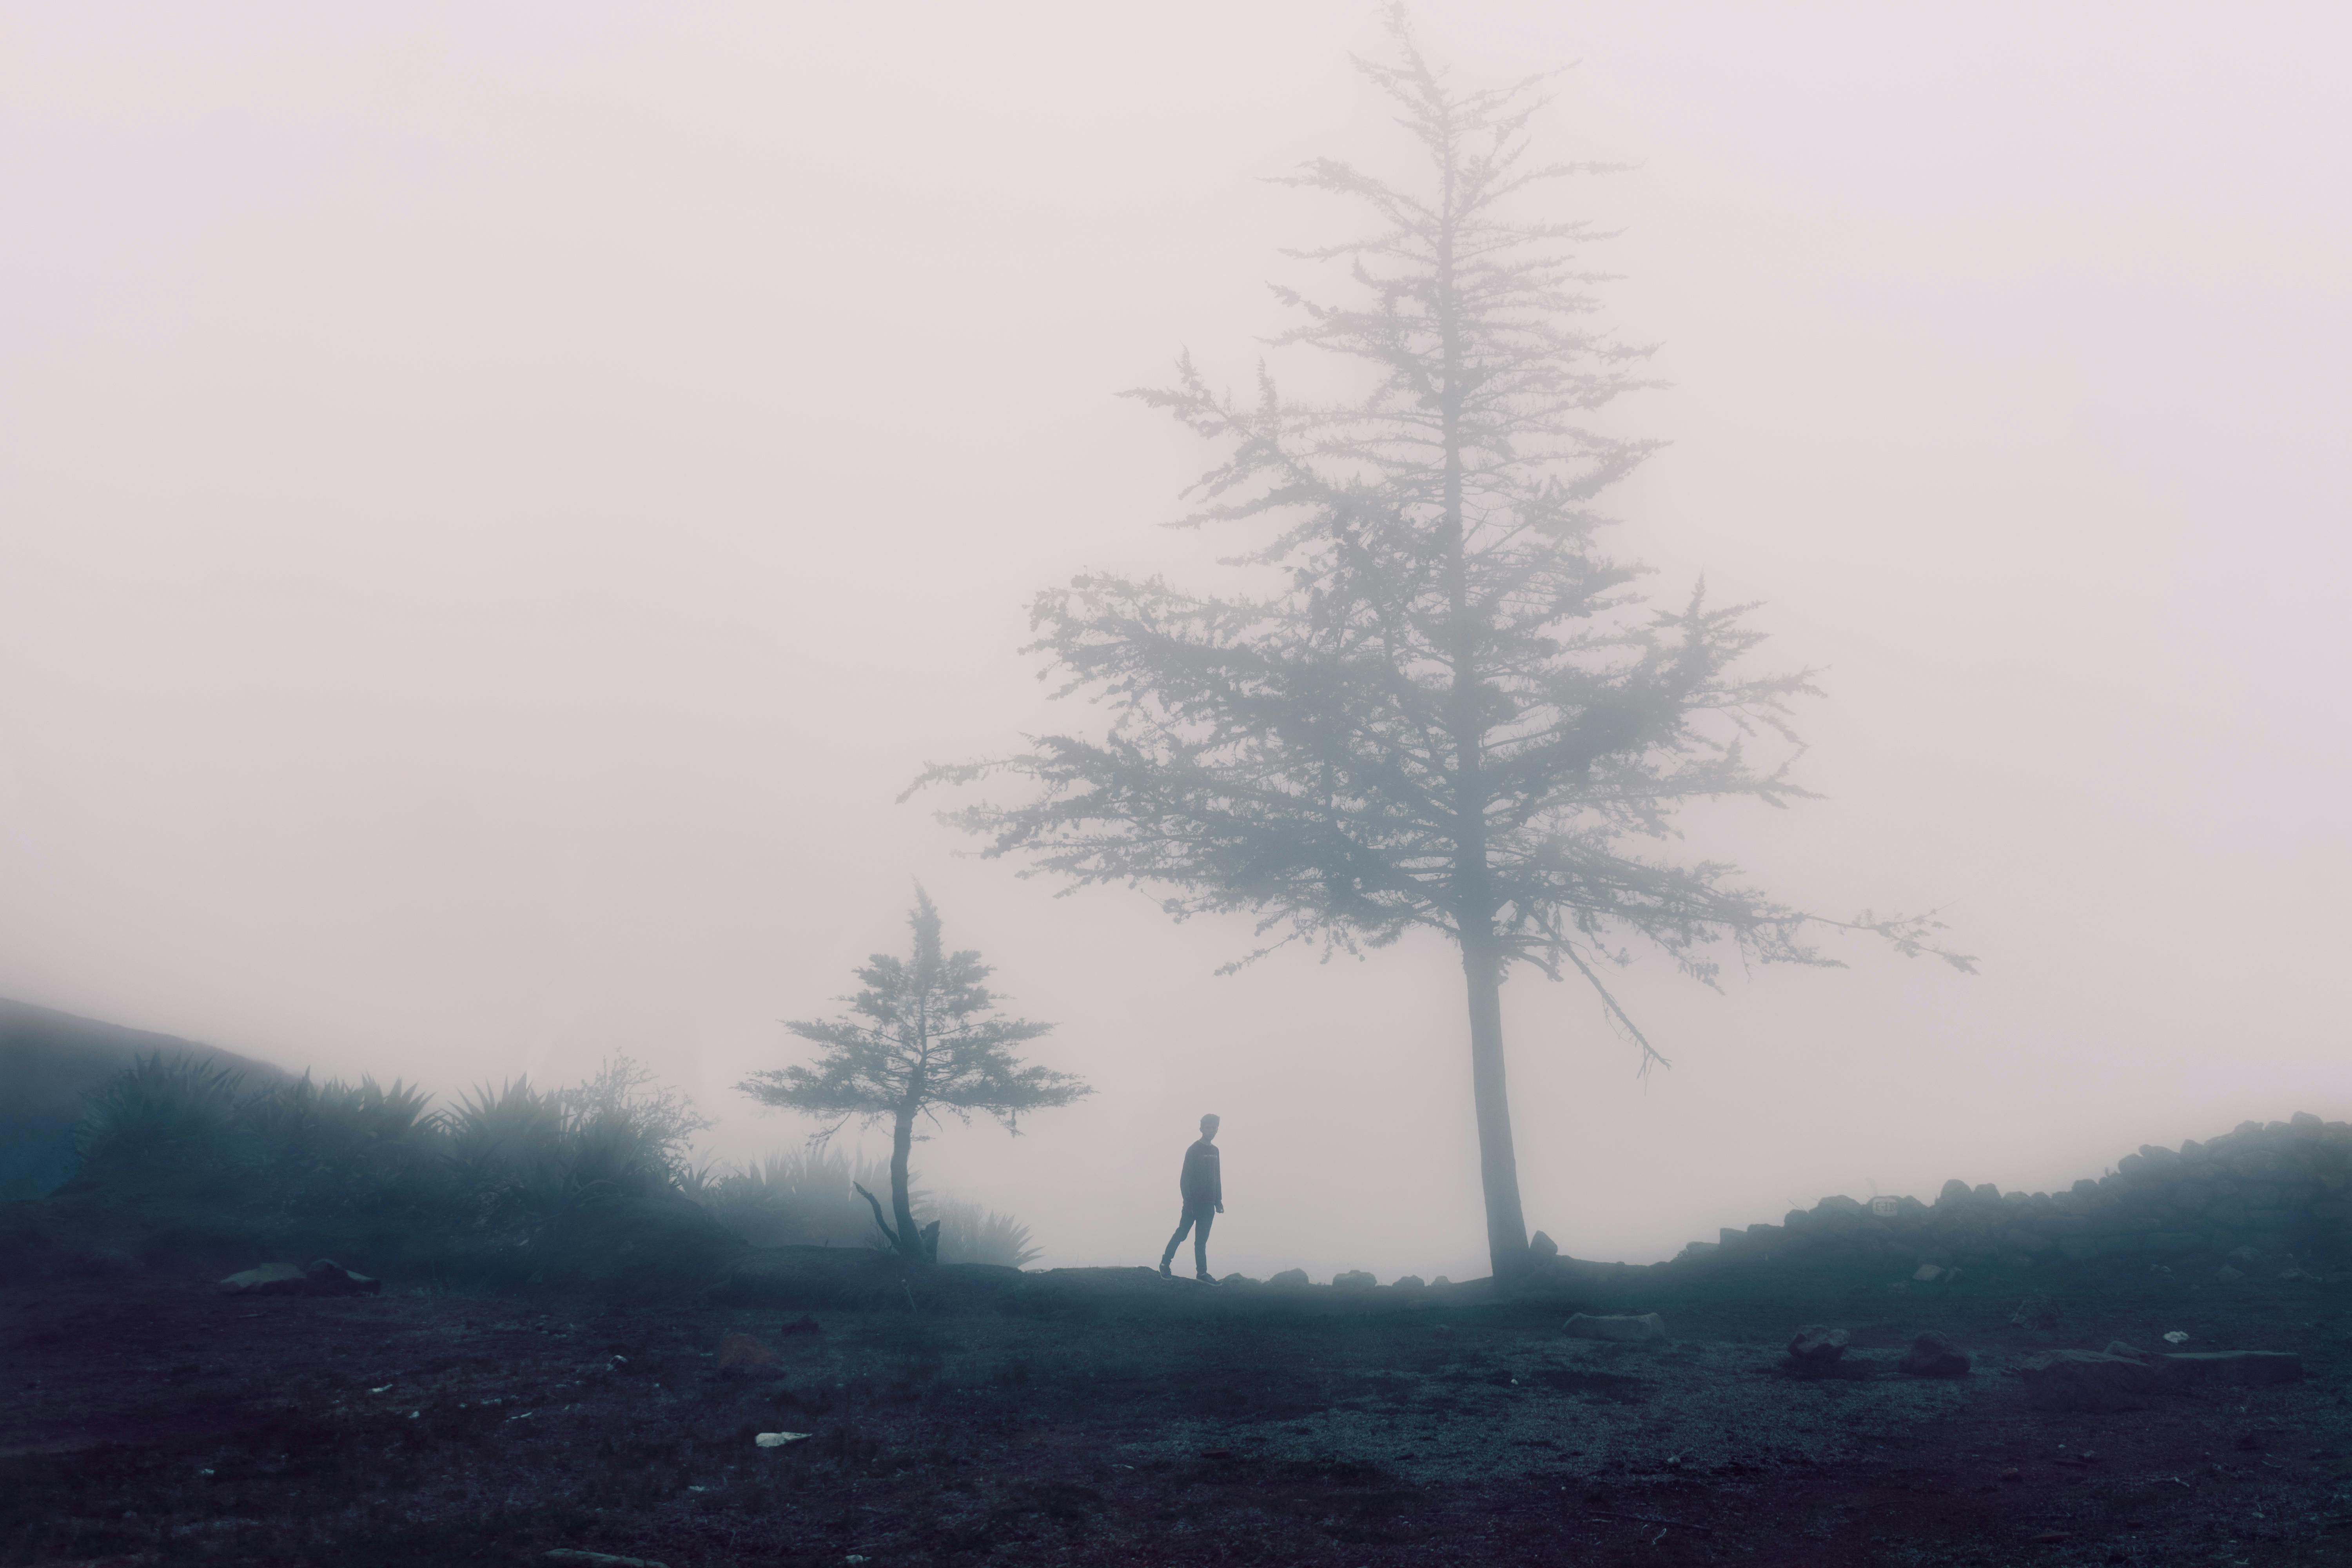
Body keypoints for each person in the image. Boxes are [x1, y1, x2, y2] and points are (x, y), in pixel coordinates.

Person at [1159, 1113, 1223, 1281]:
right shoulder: (1193, 1150)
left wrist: (1219, 1201)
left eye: (1214, 1128)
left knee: (1201, 1242)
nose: (1211, 1130)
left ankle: (1202, 1274)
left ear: (1217, 1130)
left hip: (1209, 1205)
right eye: (1208, 1128)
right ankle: (1165, 1264)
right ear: (1201, 1129)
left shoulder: (1216, 1151)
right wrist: (1188, 1202)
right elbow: (1184, 1179)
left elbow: (1217, 1176)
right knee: (1182, 1234)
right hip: (1193, 1204)